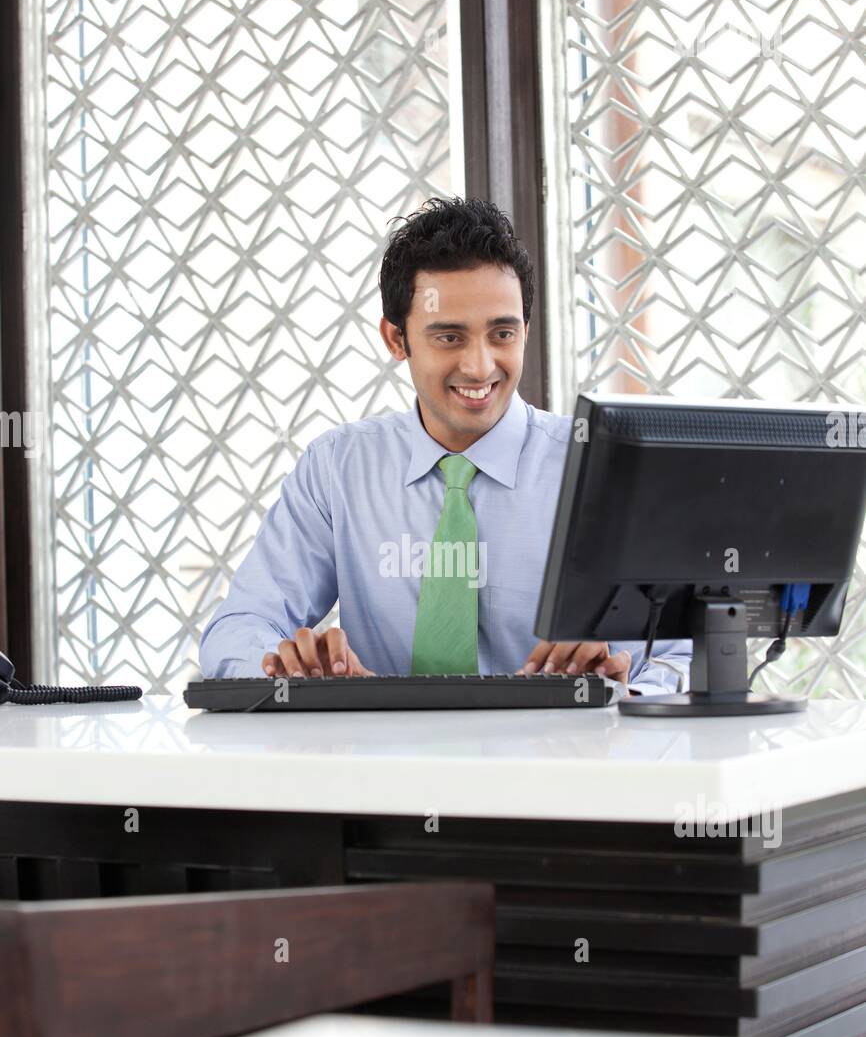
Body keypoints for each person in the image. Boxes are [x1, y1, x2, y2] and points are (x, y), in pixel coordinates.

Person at [200, 197, 690, 694]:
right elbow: (238, 627)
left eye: (502, 333)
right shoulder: (337, 469)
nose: (480, 367)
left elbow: (682, 654)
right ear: (396, 339)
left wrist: (623, 690)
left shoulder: (597, 468)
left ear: (525, 330)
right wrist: (293, 673)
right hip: (387, 761)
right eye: (449, 338)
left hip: (563, 758)